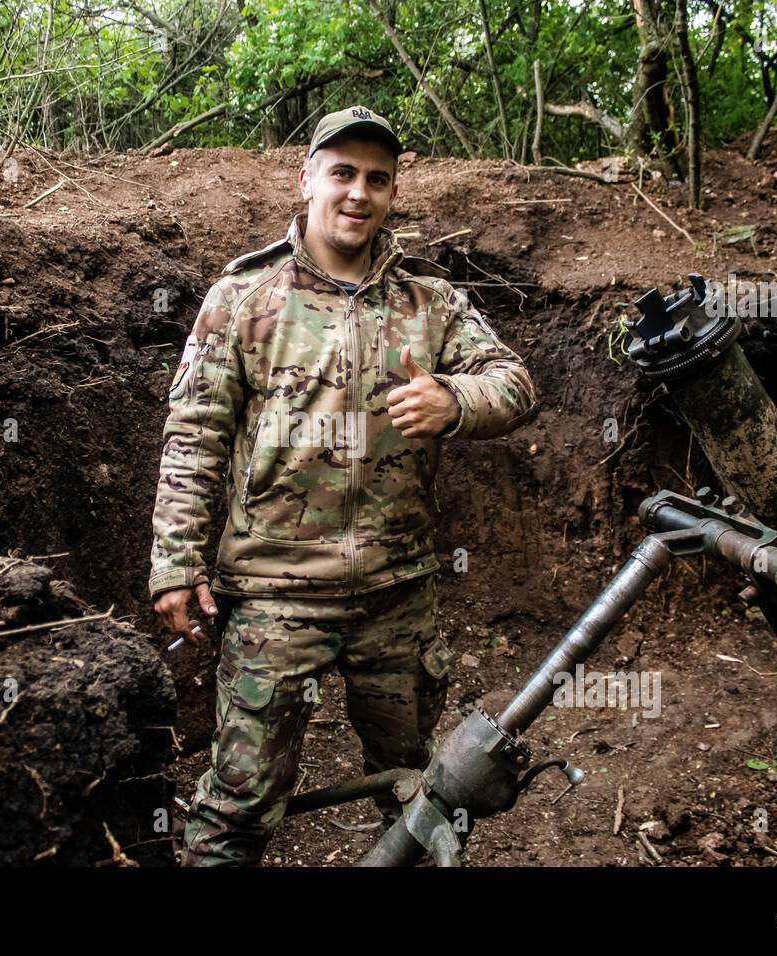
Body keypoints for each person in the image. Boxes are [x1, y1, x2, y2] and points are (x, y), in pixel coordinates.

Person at [149, 105, 535, 865]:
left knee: (421, 792)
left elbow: (515, 382)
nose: (359, 193)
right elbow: (194, 435)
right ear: (308, 180)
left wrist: (456, 402)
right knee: (238, 805)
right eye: (344, 174)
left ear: (393, 193)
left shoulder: (430, 300)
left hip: (399, 595)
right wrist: (175, 561)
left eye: (377, 180)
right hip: (274, 596)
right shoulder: (244, 297)